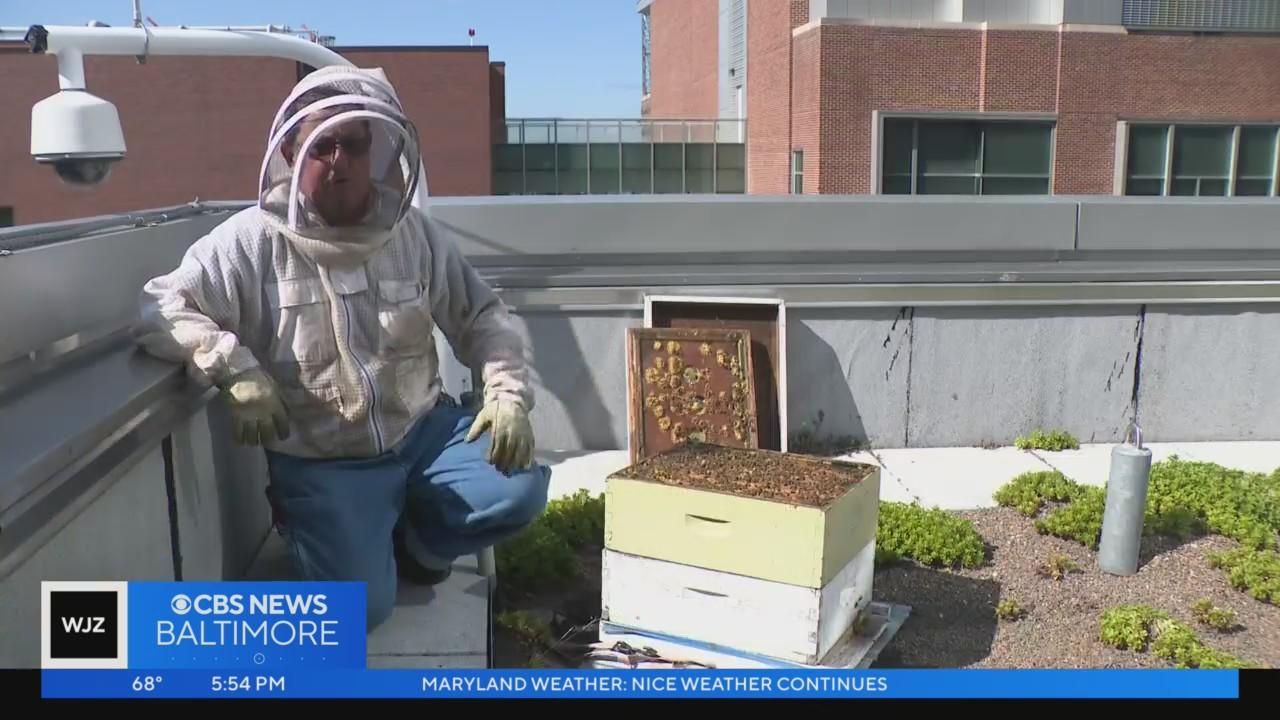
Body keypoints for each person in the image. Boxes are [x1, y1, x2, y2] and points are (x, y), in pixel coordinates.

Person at [133, 66, 551, 629]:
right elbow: (158, 308)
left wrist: (507, 393)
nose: (339, 161)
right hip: (325, 461)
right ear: (289, 150)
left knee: (519, 490)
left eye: (353, 145)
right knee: (358, 613)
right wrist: (235, 369)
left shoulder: (414, 234)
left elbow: (482, 316)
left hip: (422, 433)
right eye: (322, 145)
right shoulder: (249, 241)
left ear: (377, 150)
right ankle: (315, 523)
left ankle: (420, 546)